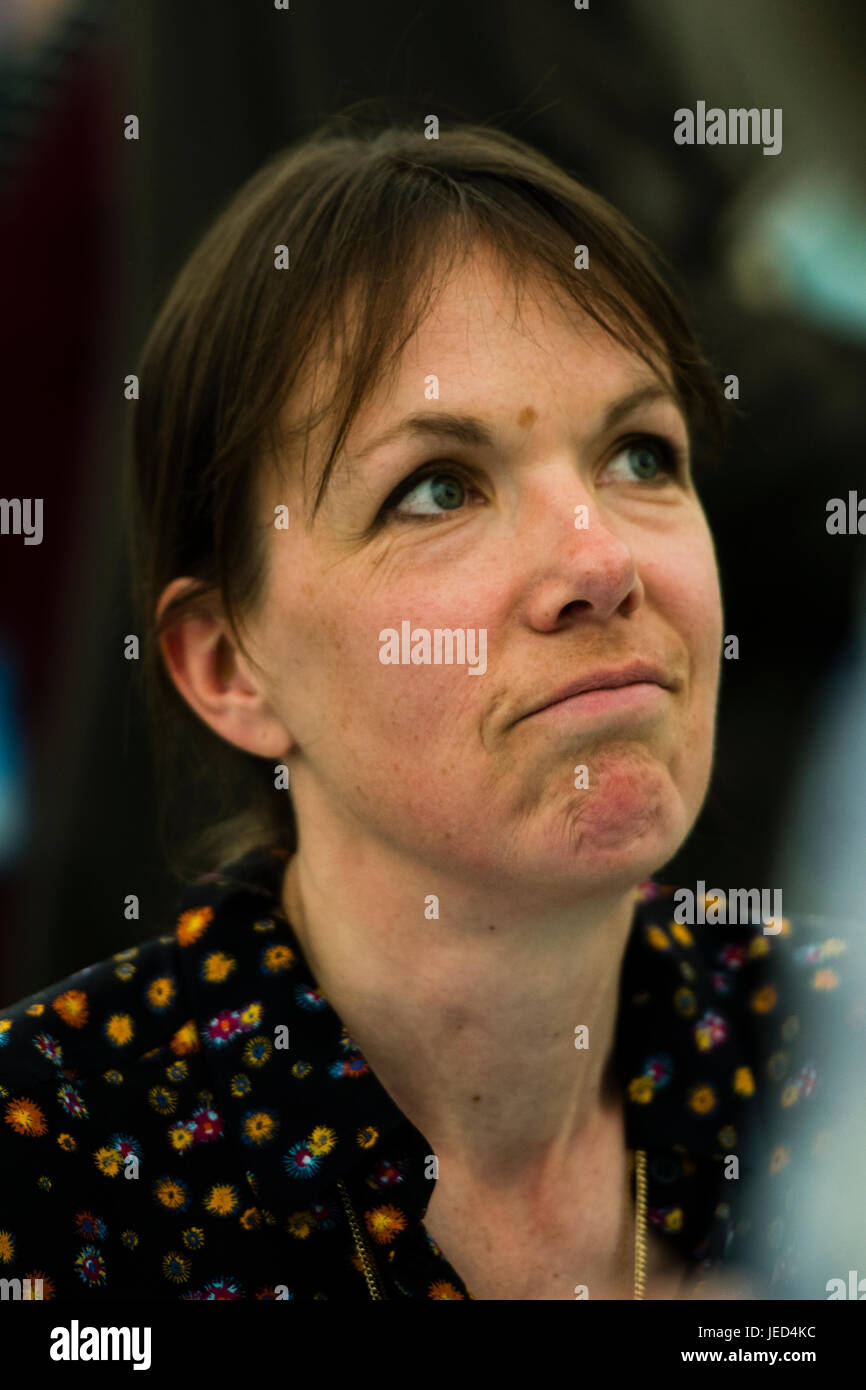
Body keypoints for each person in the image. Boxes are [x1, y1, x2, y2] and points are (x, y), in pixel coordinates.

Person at [0, 120, 855, 1301]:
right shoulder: (49, 1162)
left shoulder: (829, 1052)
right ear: (229, 668)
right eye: (436, 488)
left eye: (640, 456)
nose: (599, 561)